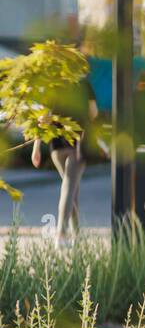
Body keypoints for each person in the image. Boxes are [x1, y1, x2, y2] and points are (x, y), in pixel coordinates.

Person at [32, 72, 96, 246]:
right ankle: (61, 234)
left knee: (71, 188)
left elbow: (42, 121)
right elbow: (94, 114)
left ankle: (77, 236)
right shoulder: (85, 86)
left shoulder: (53, 88)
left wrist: (36, 148)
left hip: (56, 148)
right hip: (77, 146)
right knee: (69, 187)